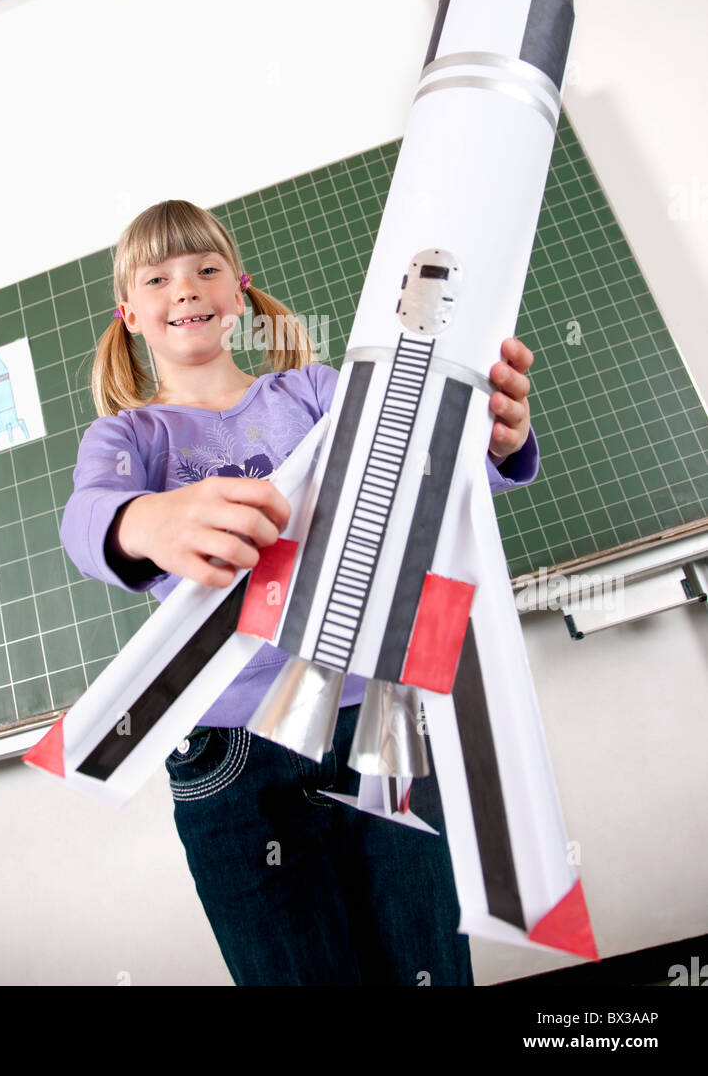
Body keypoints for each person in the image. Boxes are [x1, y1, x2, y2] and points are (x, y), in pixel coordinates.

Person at [60, 199, 540, 986]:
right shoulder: (131, 439)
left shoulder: (315, 393)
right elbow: (89, 520)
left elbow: (428, 469)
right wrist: (145, 521)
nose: (186, 287)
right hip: (229, 757)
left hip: (373, 721)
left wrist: (493, 441)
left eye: (206, 268)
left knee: (428, 971)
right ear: (131, 314)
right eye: (159, 277)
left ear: (240, 292)